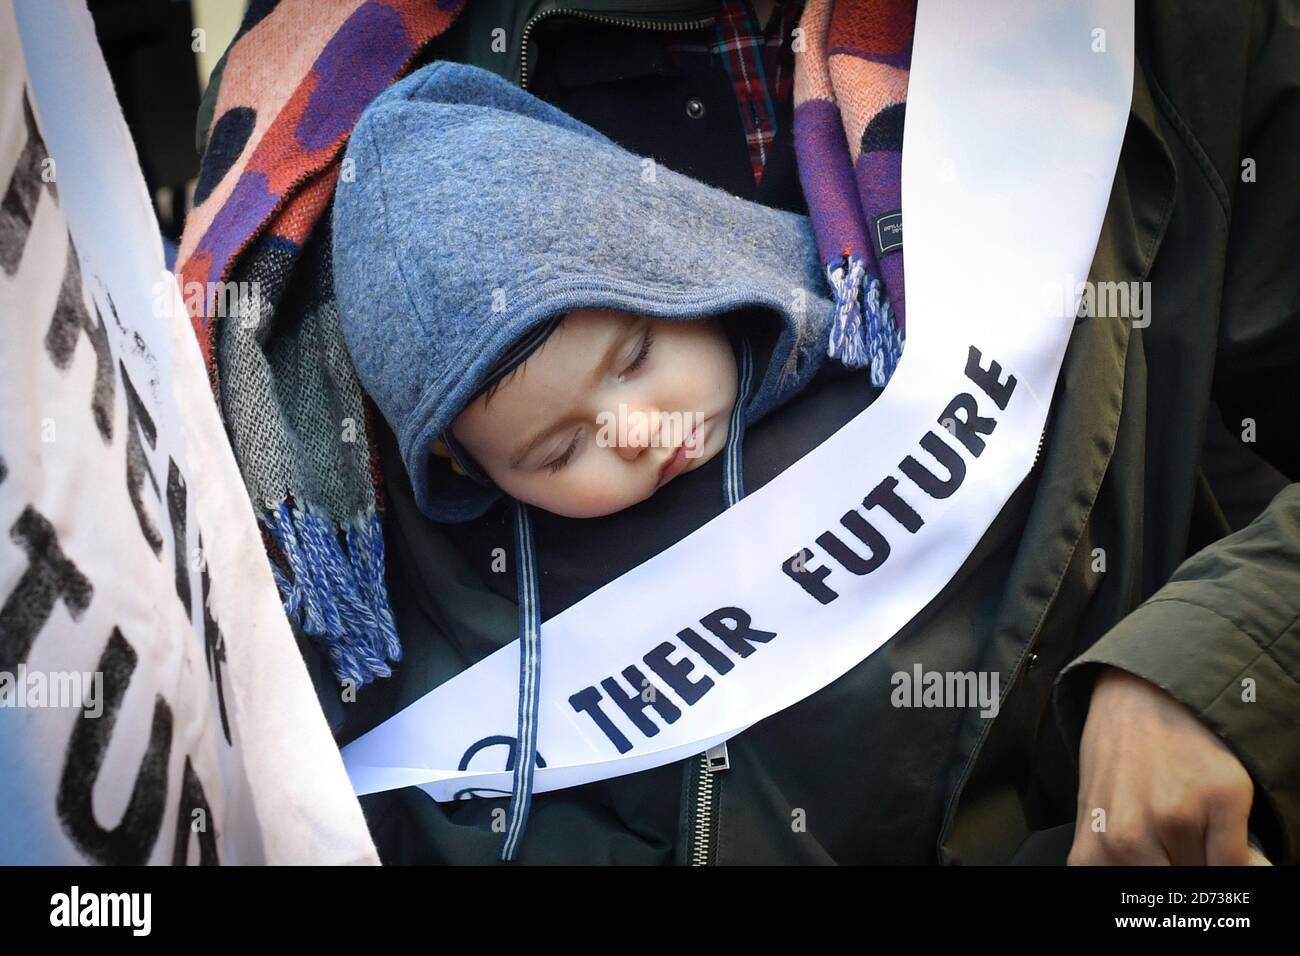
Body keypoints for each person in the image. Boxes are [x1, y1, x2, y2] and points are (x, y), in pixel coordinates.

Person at [180, 0, 1300, 865]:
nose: (637, 428)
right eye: (555, 451)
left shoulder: (1117, 37)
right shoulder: (282, 173)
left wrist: (1215, 669)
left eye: (635, 355)